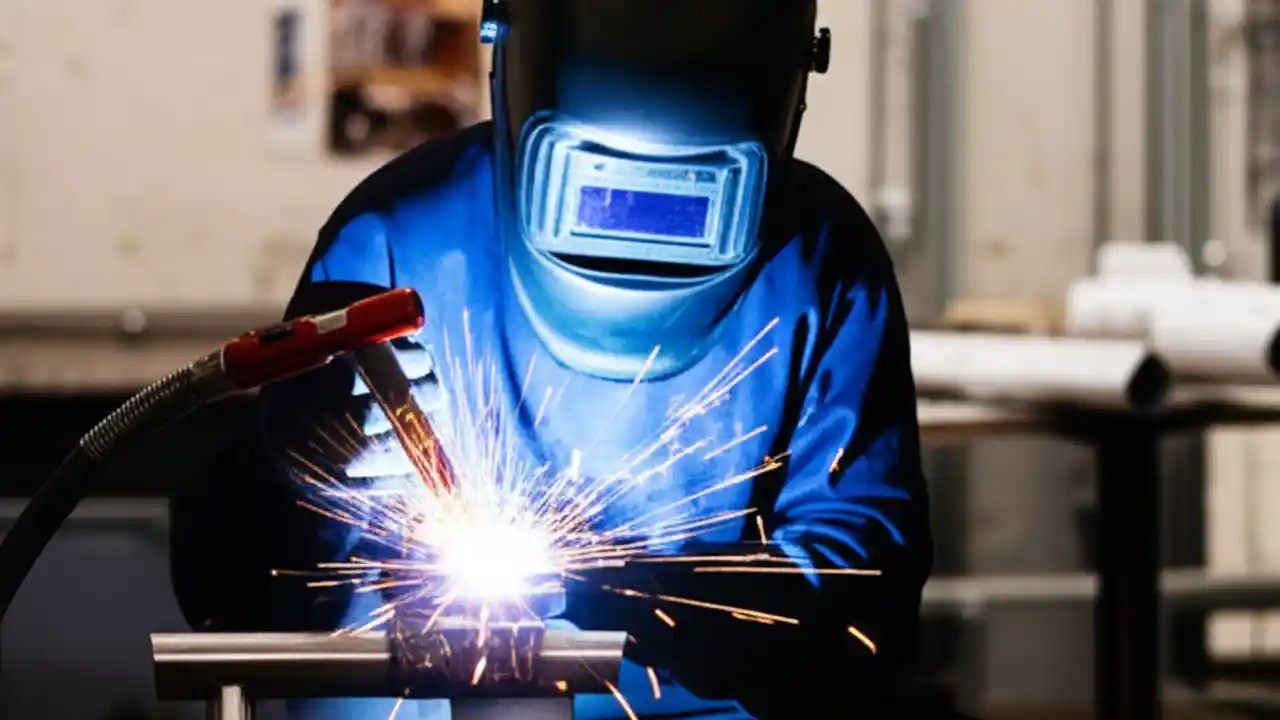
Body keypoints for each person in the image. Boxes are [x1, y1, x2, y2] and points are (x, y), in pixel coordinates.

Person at [169, 1, 933, 717]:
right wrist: (293, 471)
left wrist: (632, 590)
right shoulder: (395, 236)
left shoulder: (820, 261)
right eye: (597, 183)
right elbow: (229, 593)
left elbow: (863, 597)